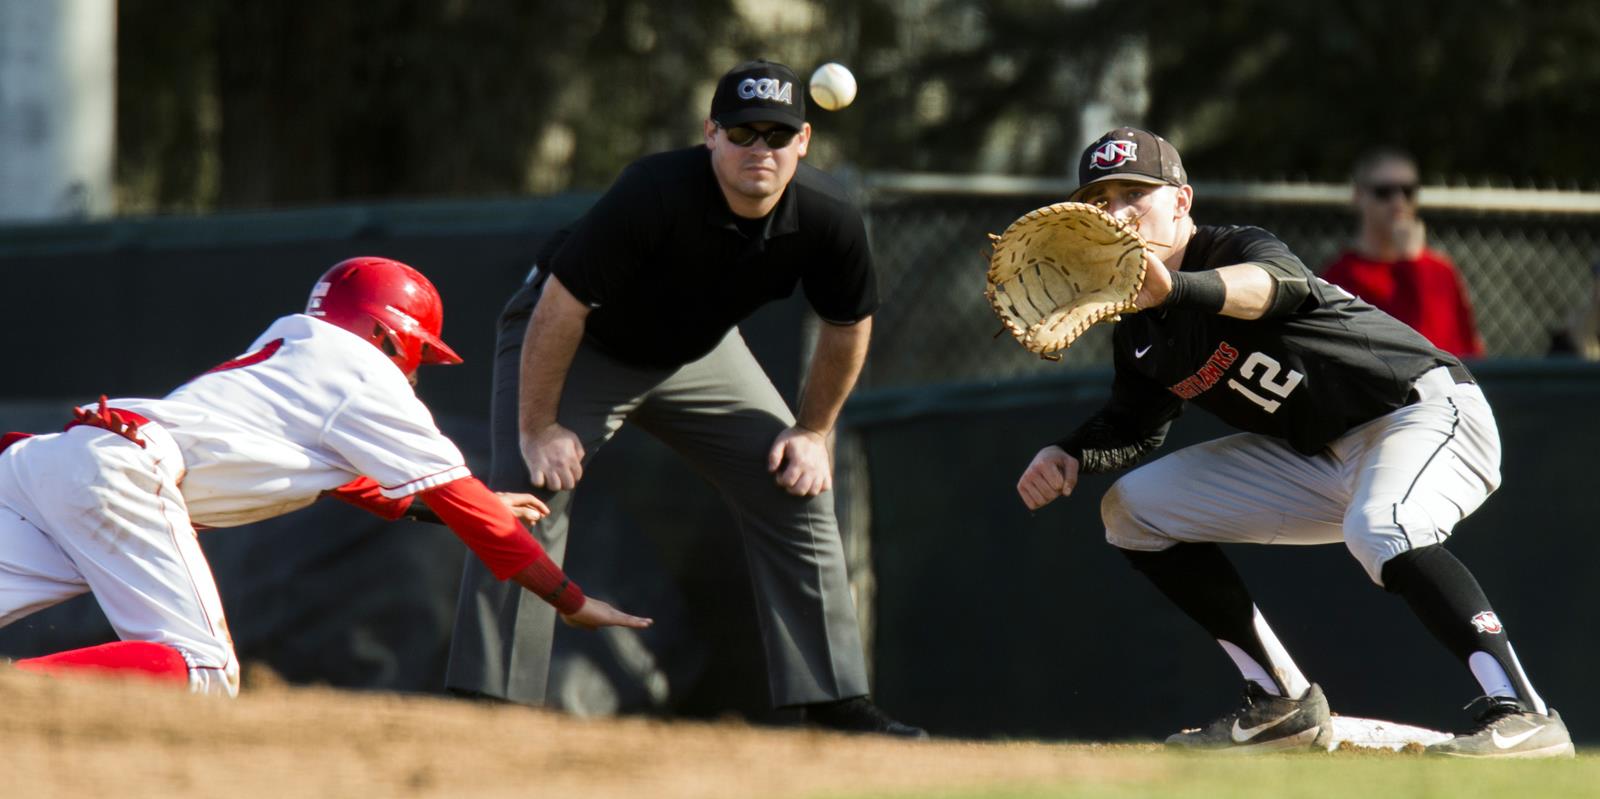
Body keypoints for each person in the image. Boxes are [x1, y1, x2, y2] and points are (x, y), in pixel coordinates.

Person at [1014, 127, 1571, 758]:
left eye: (1134, 194)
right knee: (1134, 510)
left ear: (1181, 201)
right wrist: (1069, 452)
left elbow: (1278, 285)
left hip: (1420, 412)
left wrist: (1179, 289)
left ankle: (1526, 713)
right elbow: (1134, 424)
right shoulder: (1140, 330)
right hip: (1319, 456)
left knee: (1383, 526)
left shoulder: (1234, 247)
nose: (1116, 213)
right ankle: (1281, 705)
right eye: (1101, 200)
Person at [447, 59, 923, 738]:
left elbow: (849, 326)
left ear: (804, 142)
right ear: (711, 135)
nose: (760, 150)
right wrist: (538, 427)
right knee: (530, 487)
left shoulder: (828, 217)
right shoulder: (655, 191)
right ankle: (492, 704)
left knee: (793, 478)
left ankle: (833, 702)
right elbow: (561, 306)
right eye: (743, 133)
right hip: (581, 340)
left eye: (777, 135)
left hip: (694, 353)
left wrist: (814, 431)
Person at [0, 257, 650, 696]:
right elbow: (466, 504)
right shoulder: (366, 375)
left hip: (54, 461)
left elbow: (349, 479)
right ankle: (21, 695)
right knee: (204, 671)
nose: (415, 371)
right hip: (120, 476)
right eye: (419, 353)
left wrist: (448, 506)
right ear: (390, 336)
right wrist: (569, 599)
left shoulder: (295, 351)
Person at [1321, 148, 1485, 358]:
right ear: (1358, 196)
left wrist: (1413, 264)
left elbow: (1464, 348)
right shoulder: (1341, 276)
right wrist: (1410, 265)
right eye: (1384, 192)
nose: (1398, 202)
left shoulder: (1441, 270)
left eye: (1408, 191)